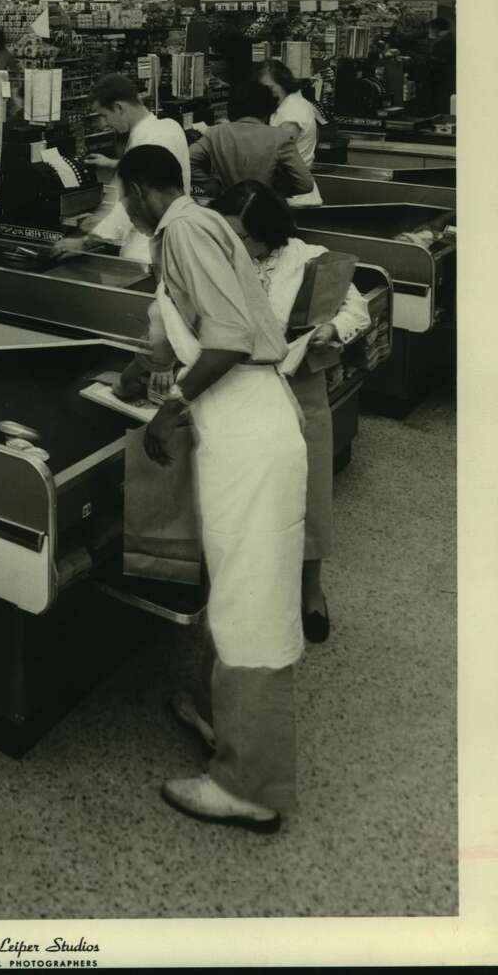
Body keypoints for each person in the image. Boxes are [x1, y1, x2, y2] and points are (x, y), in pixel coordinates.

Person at [112, 144, 307, 832]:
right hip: (252, 426)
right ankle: (214, 714)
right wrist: (142, 370)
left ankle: (248, 787)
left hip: (246, 430)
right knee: (236, 590)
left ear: (138, 192)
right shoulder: (202, 225)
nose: (124, 210)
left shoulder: (184, 230)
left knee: (251, 608)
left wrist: (171, 406)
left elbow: (225, 339)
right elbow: (194, 322)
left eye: (123, 197)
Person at [211, 182, 371, 643]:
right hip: (240, 391)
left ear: (267, 232)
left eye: (240, 236)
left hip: (300, 392)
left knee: (308, 493)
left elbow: (355, 308)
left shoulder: (310, 259)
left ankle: (311, 591)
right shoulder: (221, 259)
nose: (231, 244)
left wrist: (332, 329)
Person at [55, 73, 190, 265]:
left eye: (104, 115)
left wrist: (84, 243)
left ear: (119, 108)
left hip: (146, 253)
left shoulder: (147, 141)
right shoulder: (169, 127)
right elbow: (126, 191)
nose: (104, 124)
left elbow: (131, 203)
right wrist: (100, 219)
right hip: (166, 243)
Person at [188, 80, 321, 206]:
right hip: (263, 213)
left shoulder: (215, 133)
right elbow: (305, 183)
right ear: (268, 107)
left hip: (227, 211)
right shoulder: (280, 137)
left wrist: (211, 184)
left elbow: (187, 160)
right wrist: (274, 192)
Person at [258, 58, 326, 189]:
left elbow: (276, 154)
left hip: (292, 190)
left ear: (283, 83)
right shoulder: (292, 103)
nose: (265, 92)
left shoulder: (291, 112)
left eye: (269, 87)